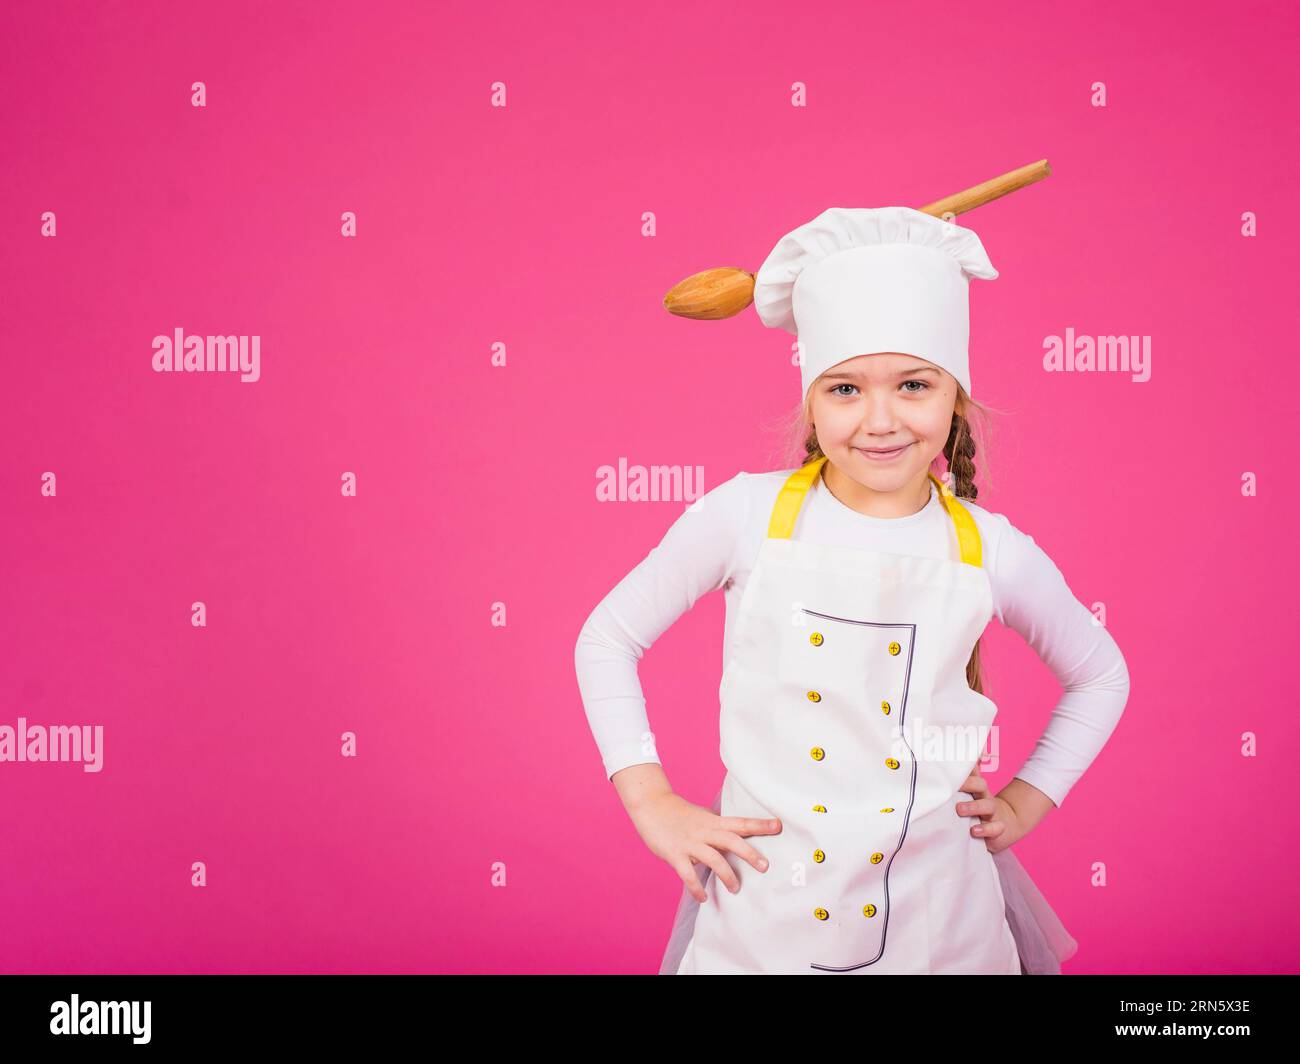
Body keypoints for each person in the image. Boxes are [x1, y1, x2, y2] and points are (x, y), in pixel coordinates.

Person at [573, 206, 1130, 974]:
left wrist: (1025, 803)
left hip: (942, 923)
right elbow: (608, 637)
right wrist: (652, 803)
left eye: (912, 384)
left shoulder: (990, 549)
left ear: (955, 397)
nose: (880, 419)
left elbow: (1101, 673)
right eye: (844, 389)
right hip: (763, 920)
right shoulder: (746, 515)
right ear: (810, 397)